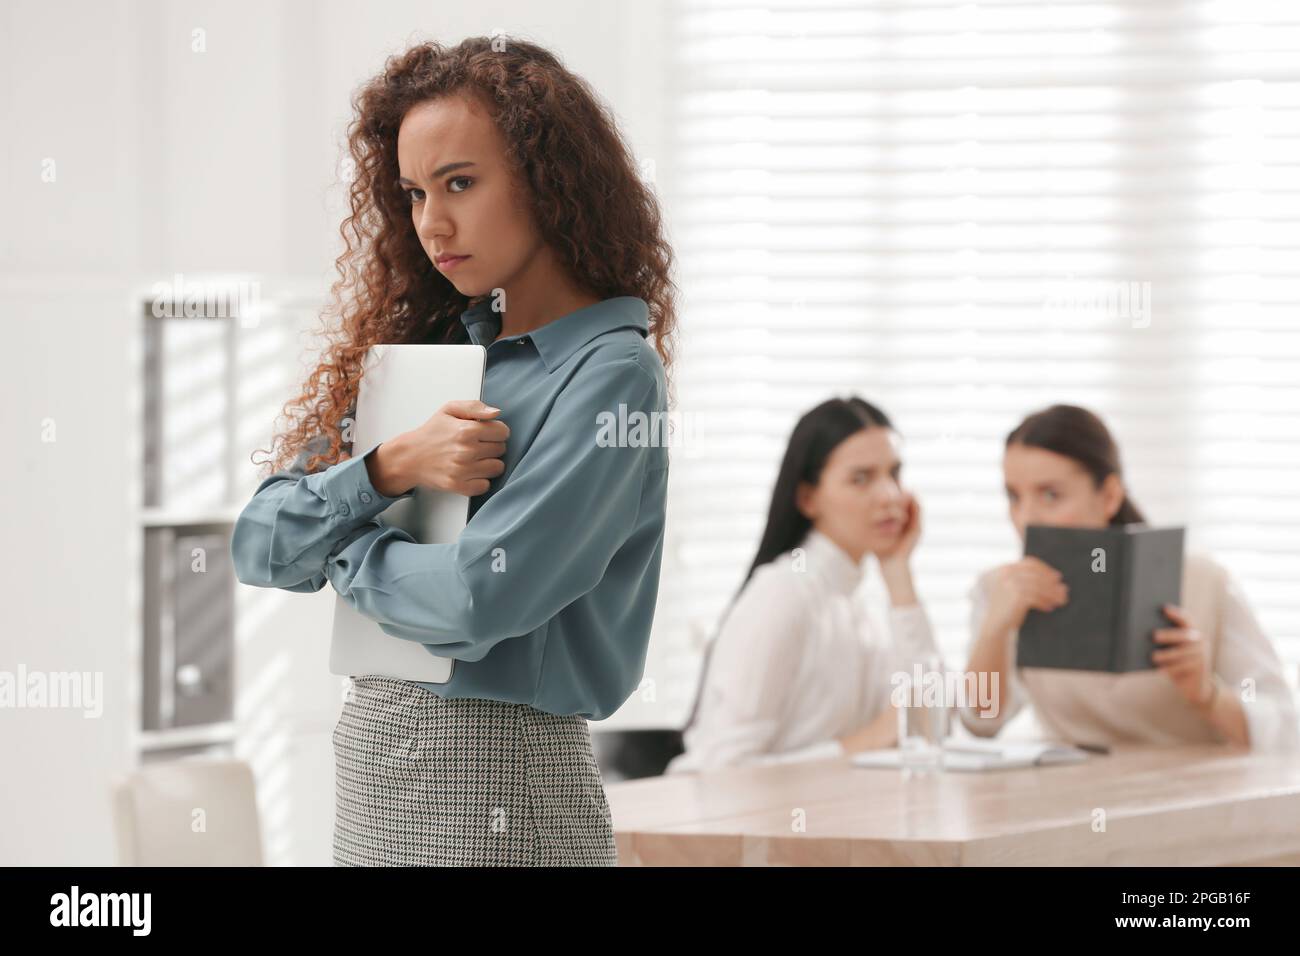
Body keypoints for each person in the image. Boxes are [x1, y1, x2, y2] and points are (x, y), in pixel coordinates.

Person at [231, 36, 677, 865]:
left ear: (551, 181)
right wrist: (386, 469)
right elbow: (258, 543)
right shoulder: (422, 357)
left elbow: (476, 600)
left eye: (461, 183)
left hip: (503, 781)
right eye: (412, 193)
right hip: (371, 759)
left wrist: (346, 547)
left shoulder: (614, 373)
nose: (433, 223)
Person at [961, 404, 1299, 752]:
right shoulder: (1004, 589)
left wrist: (1207, 694)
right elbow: (981, 721)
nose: (1025, 518)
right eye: (1014, 497)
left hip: (1188, 796)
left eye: (1051, 495)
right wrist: (994, 631)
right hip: (1069, 796)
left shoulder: (1200, 582)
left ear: (1109, 496)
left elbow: (1283, 728)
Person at [666, 397, 941, 773]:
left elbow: (928, 725)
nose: (890, 496)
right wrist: (869, 740)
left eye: (894, 473)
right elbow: (722, 770)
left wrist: (898, 573)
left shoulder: (864, 601)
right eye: (861, 478)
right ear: (808, 499)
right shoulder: (783, 593)